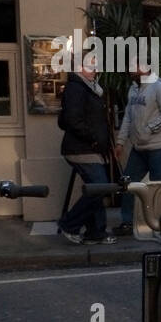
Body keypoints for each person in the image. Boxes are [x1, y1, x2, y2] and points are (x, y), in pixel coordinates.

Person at [113, 64, 161, 235]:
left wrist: (148, 129)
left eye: (135, 66)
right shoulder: (133, 89)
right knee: (128, 182)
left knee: (160, 186)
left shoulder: (160, 85)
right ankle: (127, 222)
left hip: (159, 145)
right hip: (139, 147)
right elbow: (128, 116)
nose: (131, 70)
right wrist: (120, 142)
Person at [56, 58, 115, 245]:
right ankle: (69, 224)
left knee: (95, 188)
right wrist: (94, 138)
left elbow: (65, 120)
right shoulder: (77, 88)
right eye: (90, 66)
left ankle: (95, 231)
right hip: (82, 149)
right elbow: (71, 120)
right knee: (99, 187)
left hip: (90, 148)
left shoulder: (89, 88)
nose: (95, 69)